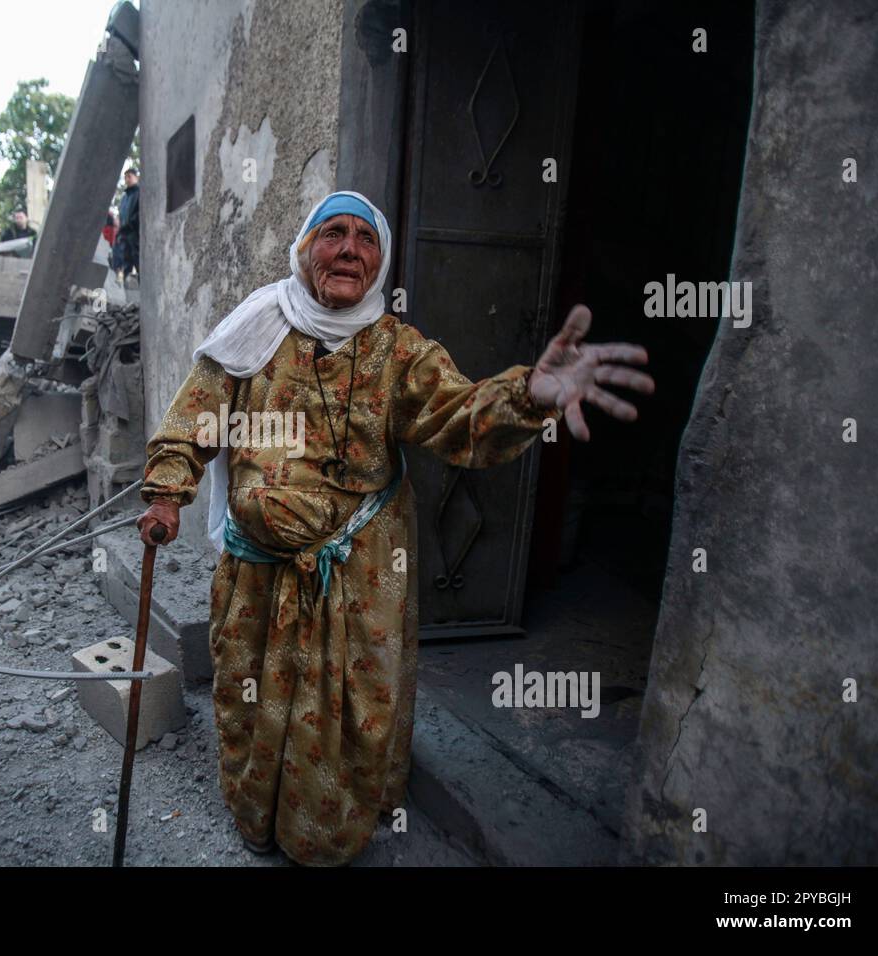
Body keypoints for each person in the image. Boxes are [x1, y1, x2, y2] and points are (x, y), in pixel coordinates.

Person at [136, 191, 655, 866]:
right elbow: (192, 420)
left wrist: (530, 394)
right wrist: (166, 495)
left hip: (360, 574)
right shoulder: (254, 328)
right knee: (249, 694)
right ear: (304, 248)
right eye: (333, 234)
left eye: (365, 239)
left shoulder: (398, 351)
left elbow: (461, 419)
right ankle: (255, 818)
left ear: (379, 262)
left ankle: (321, 837)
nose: (349, 249)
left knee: (350, 711)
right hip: (257, 575)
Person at [114, 168, 140, 278]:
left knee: (141, 266)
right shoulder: (124, 198)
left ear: (136, 177)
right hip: (124, 238)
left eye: (130, 176)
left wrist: (130, 225)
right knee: (124, 269)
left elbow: (141, 214)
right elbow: (121, 215)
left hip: (137, 236)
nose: (127, 179)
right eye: (125, 177)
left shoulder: (141, 192)